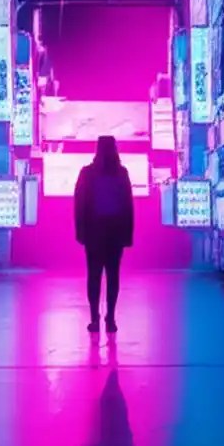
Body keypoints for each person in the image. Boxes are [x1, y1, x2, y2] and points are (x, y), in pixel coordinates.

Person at [73, 136, 134, 333]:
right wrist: (128, 234)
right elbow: (128, 205)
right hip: (115, 233)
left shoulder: (87, 173)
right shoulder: (121, 173)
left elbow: (79, 204)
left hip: (94, 233)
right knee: (113, 276)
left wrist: (80, 231)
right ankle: (111, 318)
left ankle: (94, 319)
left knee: (94, 276)